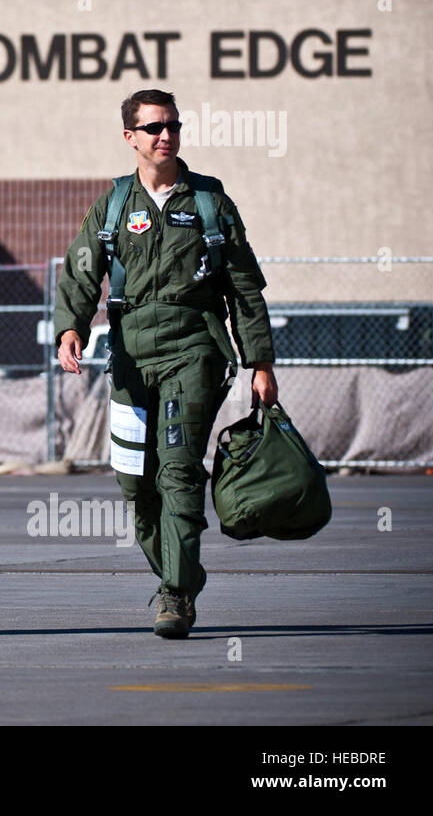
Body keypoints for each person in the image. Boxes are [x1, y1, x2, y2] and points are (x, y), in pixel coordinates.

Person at [54, 89, 278, 638]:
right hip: (129, 356)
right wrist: (70, 328)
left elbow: (243, 289)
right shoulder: (112, 206)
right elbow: (82, 272)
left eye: (173, 125)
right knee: (135, 482)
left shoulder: (209, 203)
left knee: (177, 469)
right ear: (130, 136)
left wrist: (261, 362)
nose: (166, 135)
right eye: (153, 127)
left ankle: (175, 594)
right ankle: (180, 574)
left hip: (193, 348)